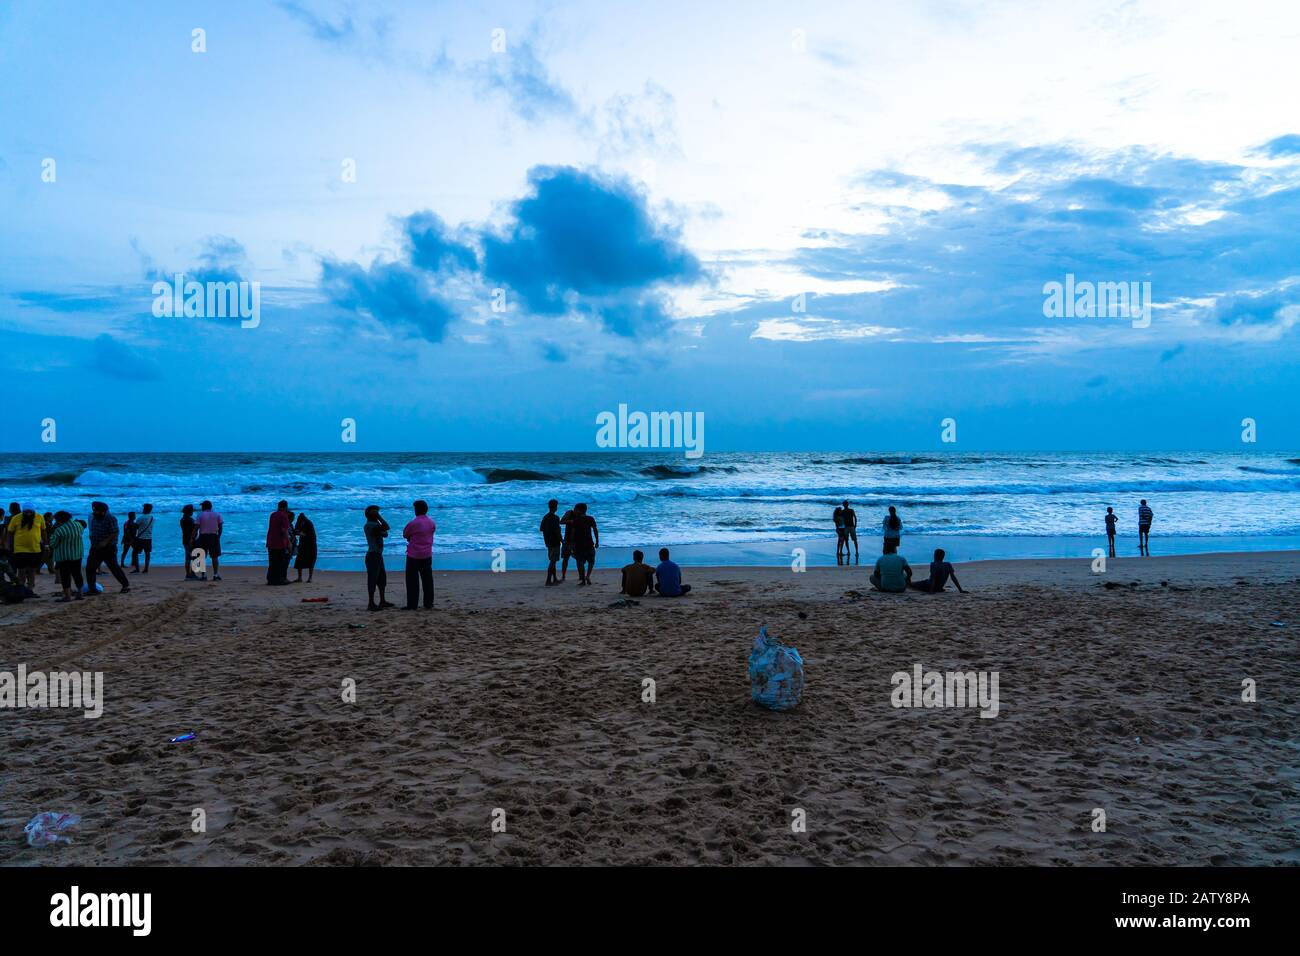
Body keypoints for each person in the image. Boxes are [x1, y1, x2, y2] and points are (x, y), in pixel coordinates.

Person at [85, 501, 130, 595]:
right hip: (95, 547)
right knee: (90, 568)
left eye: (97, 511)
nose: (95, 512)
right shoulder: (92, 517)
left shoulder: (111, 518)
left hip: (109, 548)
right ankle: (92, 589)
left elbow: (115, 532)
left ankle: (125, 585)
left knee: (114, 567)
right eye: (94, 510)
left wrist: (105, 542)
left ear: (103, 511)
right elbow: (92, 530)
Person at [402, 499, 436, 610]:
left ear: (416, 510)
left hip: (414, 554)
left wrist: (410, 538)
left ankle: (412, 604)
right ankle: (428, 603)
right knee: (427, 579)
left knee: (412, 580)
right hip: (427, 553)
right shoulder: (431, 522)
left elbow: (405, 534)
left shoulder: (413, 523)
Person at [6, 504, 47, 592]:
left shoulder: (39, 517)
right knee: (21, 571)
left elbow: (43, 531)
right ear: (23, 511)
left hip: (35, 549)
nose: (28, 514)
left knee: (32, 570)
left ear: (34, 511)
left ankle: (30, 590)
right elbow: (10, 532)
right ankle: (22, 590)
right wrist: (8, 544)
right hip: (19, 549)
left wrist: (46, 544)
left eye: (30, 512)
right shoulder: (16, 518)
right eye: (26, 512)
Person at [50, 511, 85, 601]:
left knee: (65, 576)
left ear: (59, 520)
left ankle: (67, 596)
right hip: (77, 554)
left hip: (64, 556)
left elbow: (53, 544)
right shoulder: (78, 525)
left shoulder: (59, 530)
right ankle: (80, 594)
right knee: (77, 574)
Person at [363, 505, 393, 611]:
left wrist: (382, 530)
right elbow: (386, 527)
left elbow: (385, 534)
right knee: (373, 579)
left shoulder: (373, 525)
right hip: (373, 555)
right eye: (375, 513)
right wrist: (379, 517)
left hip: (377, 555)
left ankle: (382, 600)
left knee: (381, 579)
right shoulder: (371, 525)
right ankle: (371, 603)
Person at [568, 503, 599, 585]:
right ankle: (588, 576)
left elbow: (573, 533)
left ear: (579, 510)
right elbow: (595, 530)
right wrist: (597, 541)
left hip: (579, 544)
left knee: (580, 561)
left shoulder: (576, 520)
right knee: (591, 561)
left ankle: (583, 579)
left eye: (576, 509)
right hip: (589, 543)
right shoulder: (590, 518)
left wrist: (571, 543)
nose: (574, 510)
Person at [195, 500, 223, 581]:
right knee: (214, 557)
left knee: (202, 556)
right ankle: (215, 574)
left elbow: (196, 527)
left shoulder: (200, 515)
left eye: (202, 506)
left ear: (204, 506)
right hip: (214, 536)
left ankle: (203, 575)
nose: (201, 507)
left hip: (203, 536)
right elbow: (220, 527)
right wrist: (218, 536)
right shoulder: (217, 514)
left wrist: (193, 537)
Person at [266, 500, 293, 585]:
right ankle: (280, 579)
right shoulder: (283, 516)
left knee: (272, 562)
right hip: (279, 542)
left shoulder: (272, 514)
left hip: (270, 540)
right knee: (280, 562)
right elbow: (284, 530)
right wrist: (289, 543)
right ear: (285, 507)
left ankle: (270, 579)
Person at [540, 499, 563, 586]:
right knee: (553, 561)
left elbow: (541, 529)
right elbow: (557, 531)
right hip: (555, 542)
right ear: (555, 507)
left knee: (553, 560)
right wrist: (562, 540)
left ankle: (554, 579)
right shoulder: (555, 518)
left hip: (548, 541)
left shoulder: (545, 517)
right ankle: (548, 580)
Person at [131, 503, 155, 573]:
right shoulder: (152, 518)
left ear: (145, 509)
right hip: (149, 538)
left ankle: (137, 569)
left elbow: (135, 527)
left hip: (140, 538)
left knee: (135, 553)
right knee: (147, 553)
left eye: (143, 508)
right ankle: (146, 568)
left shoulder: (141, 518)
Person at [294, 512, 317, 583]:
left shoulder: (309, 524)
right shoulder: (300, 522)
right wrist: (298, 532)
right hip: (303, 543)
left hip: (311, 544)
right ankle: (300, 578)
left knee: (310, 560)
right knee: (299, 560)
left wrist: (301, 534)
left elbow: (311, 536)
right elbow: (296, 530)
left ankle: (309, 578)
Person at [180, 504, 199, 580]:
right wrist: (191, 540)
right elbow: (191, 531)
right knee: (194, 557)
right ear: (189, 512)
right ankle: (192, 574)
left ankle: (188, 574)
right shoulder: (189, 520)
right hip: (190, 540)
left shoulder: (183, 519)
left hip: (185, 540)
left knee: (188, 557)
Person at [558, 506, 576, 582]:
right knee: (566, 558)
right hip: (567, 540)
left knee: (579, 559)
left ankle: (582, 576)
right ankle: (563, 576)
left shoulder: (582, 515)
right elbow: (561, 521)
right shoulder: (570, 513)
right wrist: (570, 521)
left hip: (577, 540)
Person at [841, 499, 859, 564]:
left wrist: (855, 525)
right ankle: (848, 551)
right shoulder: (842, 512)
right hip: (846, 527)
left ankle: (856, 551)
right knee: (847, 540)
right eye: (844, 504)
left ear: (847, 504)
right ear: (843, 505)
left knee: (855, 540)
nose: (845, 505)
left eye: (846, 504)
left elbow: (855, 517)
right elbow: (841, 520)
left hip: (851, 526)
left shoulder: (851, 510)